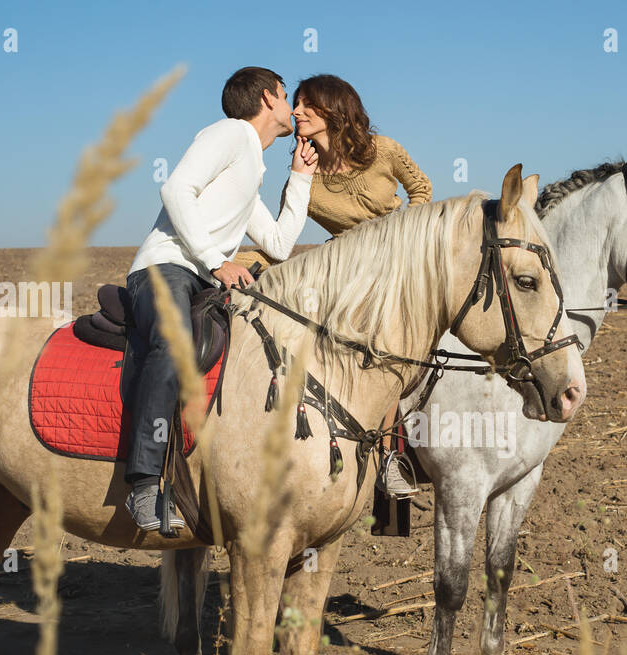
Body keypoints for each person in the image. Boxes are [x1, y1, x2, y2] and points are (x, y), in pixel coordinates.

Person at [124, 67, 318, 532]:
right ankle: (144, 480)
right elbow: (175, 189)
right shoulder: (230, 134)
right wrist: (215, 262)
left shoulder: (250, 167)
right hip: (165, 268)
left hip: (203, 278)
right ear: (269, 97)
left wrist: (301, 179)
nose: (294, 108)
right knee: (173, 344)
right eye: (287, 96)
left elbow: (277, 244)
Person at [235, 73, 432, 497]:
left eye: (308, 104)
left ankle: (402, 455)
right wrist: (243, 263)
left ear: (335, 109)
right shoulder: (304, 177)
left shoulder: (384, 151)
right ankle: (370, 459)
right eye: (297, 103)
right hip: (351, 277)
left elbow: (422, 189)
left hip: (399, 267)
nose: (298, 111)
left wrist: (405, 238)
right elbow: (279, 241)